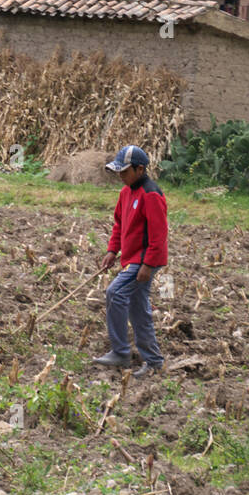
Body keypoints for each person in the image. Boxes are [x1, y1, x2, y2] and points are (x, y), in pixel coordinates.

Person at [93, 144, 167, 377]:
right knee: (138, 308)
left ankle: (121, 352)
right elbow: (119, 225)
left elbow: (159, 234)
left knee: (115, 293)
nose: (121, 176)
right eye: (119, 172)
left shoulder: (151, 194)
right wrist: (112, 251)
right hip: (131, 259)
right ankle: (153, 361)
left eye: (124, 171)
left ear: (140, 169)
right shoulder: (126, 193)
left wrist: (147, 264)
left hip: (143, 260)